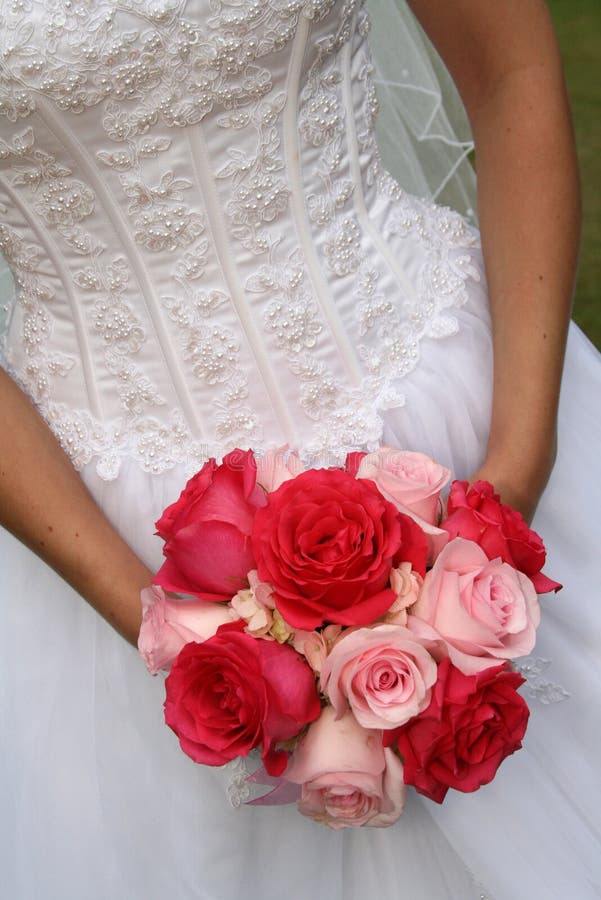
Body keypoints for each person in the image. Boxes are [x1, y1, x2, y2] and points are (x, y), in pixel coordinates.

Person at [0, 1, 599, 897]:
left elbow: (509, 73)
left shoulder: (495, 464)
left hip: (450, 420)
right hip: (106, 528)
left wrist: (510, 480)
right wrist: (176, 631)